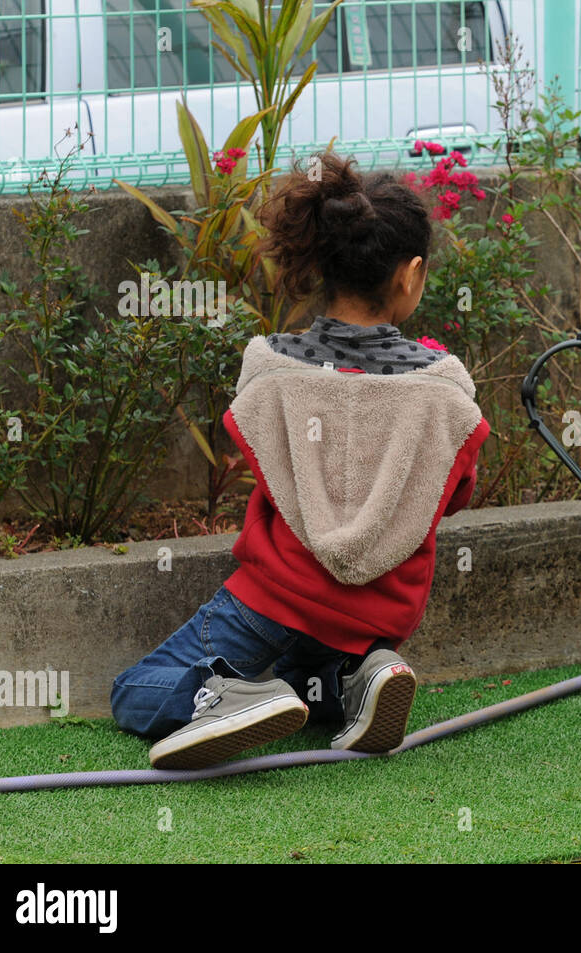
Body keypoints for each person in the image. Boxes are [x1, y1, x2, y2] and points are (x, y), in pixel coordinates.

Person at [111, 153, 489, 769]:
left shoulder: (272, 371)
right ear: (411, 274)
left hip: (273, 599)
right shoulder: (443, 393)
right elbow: (452, 494)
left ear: (321, 262)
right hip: (377, 610)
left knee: (132, 690)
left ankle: (221, 695)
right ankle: (358, 675)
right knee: (314, 683)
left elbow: (262, 459)